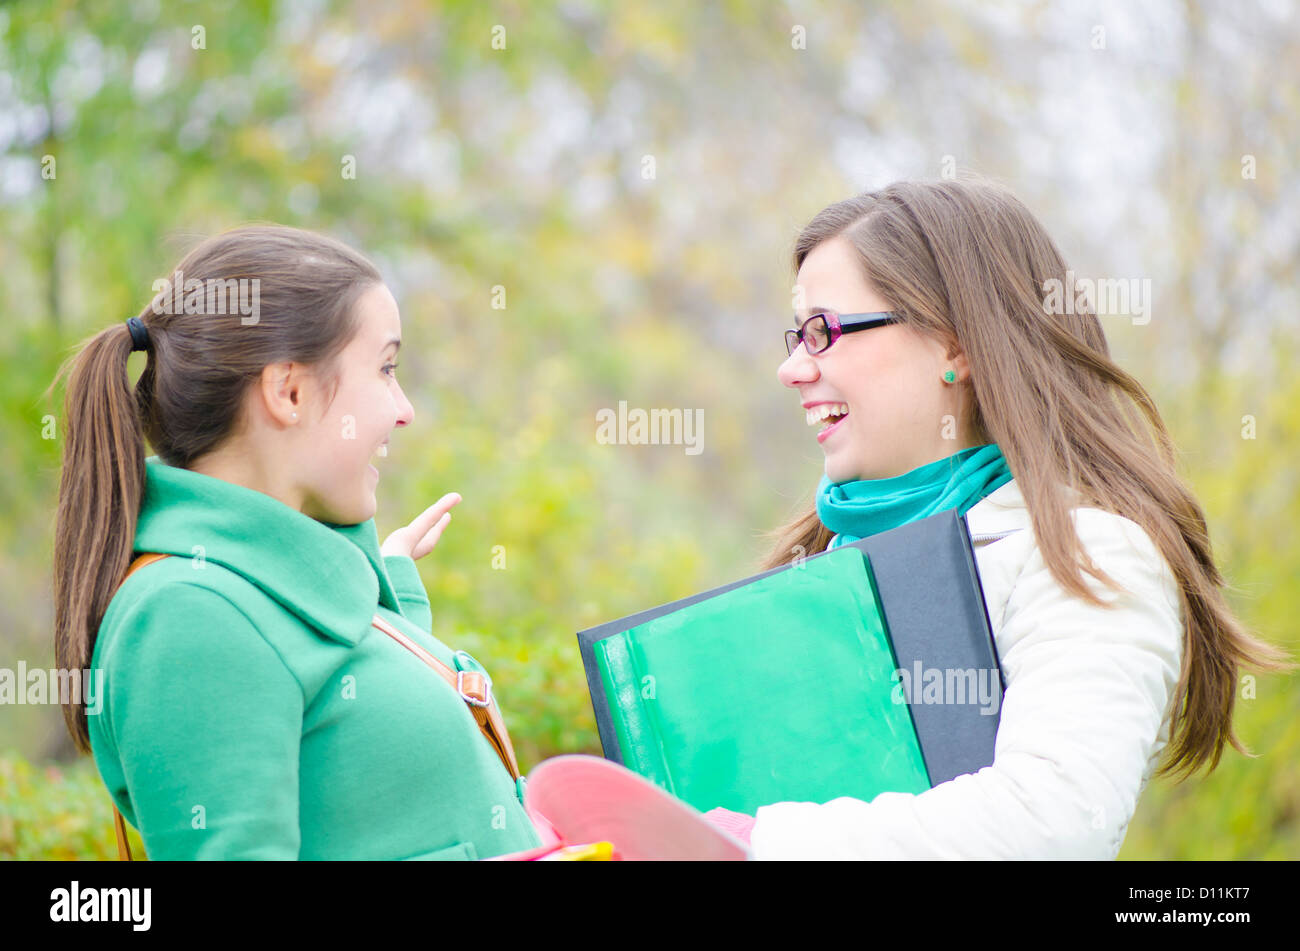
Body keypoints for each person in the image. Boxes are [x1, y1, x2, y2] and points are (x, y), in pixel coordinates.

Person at [704, 178, 1291, 859]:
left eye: (824, 331)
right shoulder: (821, 560)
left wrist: (752, 840)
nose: (790, 368)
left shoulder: (1091, 551)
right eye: (796, 334)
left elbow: (1051, 824)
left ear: (956, 345)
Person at [51, 225, 541, 860]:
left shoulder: (252, 588)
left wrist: (390, 595)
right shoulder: (188, 617)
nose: (404, 409)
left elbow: (369, 783)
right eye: (386, 368)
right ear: (289, 392)